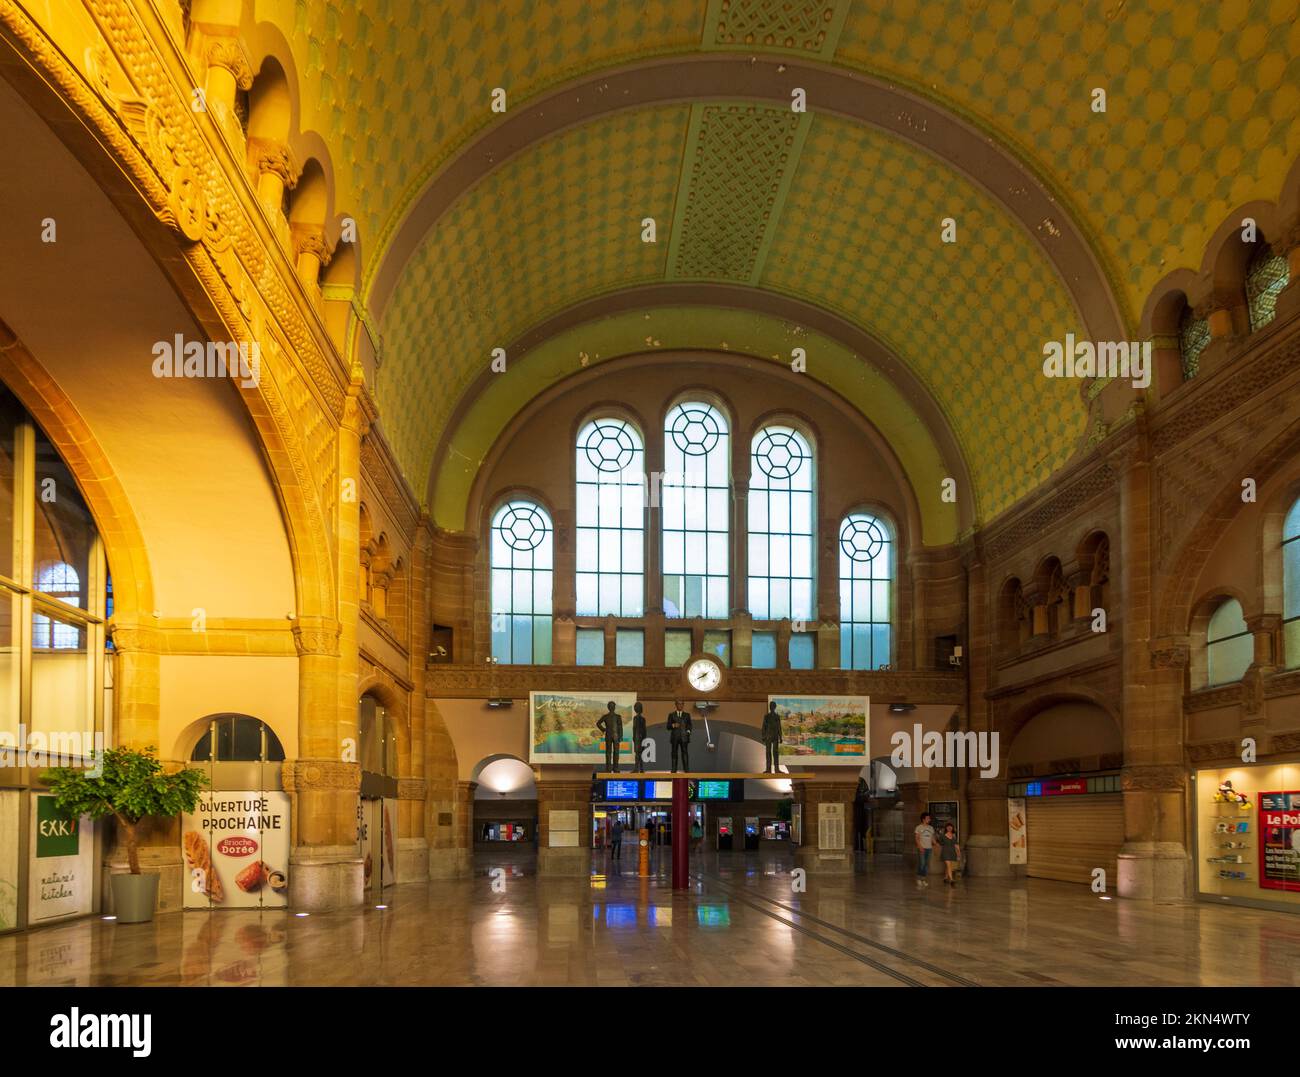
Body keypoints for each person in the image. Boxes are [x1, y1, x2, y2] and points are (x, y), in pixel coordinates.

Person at [596, 701, 622, 773]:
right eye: (610, 706)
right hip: (610, 736)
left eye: (612, 706)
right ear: (609, 707)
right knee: (609, 753)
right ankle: (609, 769)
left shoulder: (618, 717)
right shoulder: (605, 716)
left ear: (614, 707)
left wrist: (620, 736)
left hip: (615, 736)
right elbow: (598, 723)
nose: (612, 707)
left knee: (614, 752)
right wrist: (604, 729)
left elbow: (620, 727)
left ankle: (615, 768)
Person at [667, 699, 692, 772]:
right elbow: (668, 726)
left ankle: (686, 769)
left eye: (682, 704)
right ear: (676, 705)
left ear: (683, 705)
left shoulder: (687, 715)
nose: (680, 705)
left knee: (685, 753)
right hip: (675, 737)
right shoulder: (671, 715)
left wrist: (688, 732)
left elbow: (689, 725)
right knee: (674, 753)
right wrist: (673, 725)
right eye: (678, 704)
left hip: (684, 737)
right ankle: (674, 769)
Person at [914, 811, 935, 888]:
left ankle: (923, 879)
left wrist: (936, 844)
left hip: (929, 848)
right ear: (923, 819)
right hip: (922, 848)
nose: (929, 819)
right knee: (922, 863)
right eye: (928, 818)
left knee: (926, 865)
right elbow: (916, 838)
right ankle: (919, 878)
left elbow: (932, 838)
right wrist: (920, 847)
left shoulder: (931, 828)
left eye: (929, 818)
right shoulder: (918, 827)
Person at [760, 703, 782, 773]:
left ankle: (777, 769)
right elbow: (764, 727)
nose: (771, 707)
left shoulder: (777, 716)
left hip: (775, 736)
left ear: (774, 707)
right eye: (770, 706)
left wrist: (780, 737)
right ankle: (768, 769)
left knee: (775, 753)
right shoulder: (766, 716)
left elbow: (779, 727)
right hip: (768, 736)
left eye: (772, 706)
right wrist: (763, 735)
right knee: (768, 753)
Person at [631, 701, 648, 773]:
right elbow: (644, 730)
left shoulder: (636, 718)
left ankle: (637, 768)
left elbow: (635, 729)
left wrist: (634, 737)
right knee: (639, 754)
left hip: (638, 738)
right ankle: (640, 768)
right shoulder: (642, 719)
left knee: (638, 754)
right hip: (640, 738)